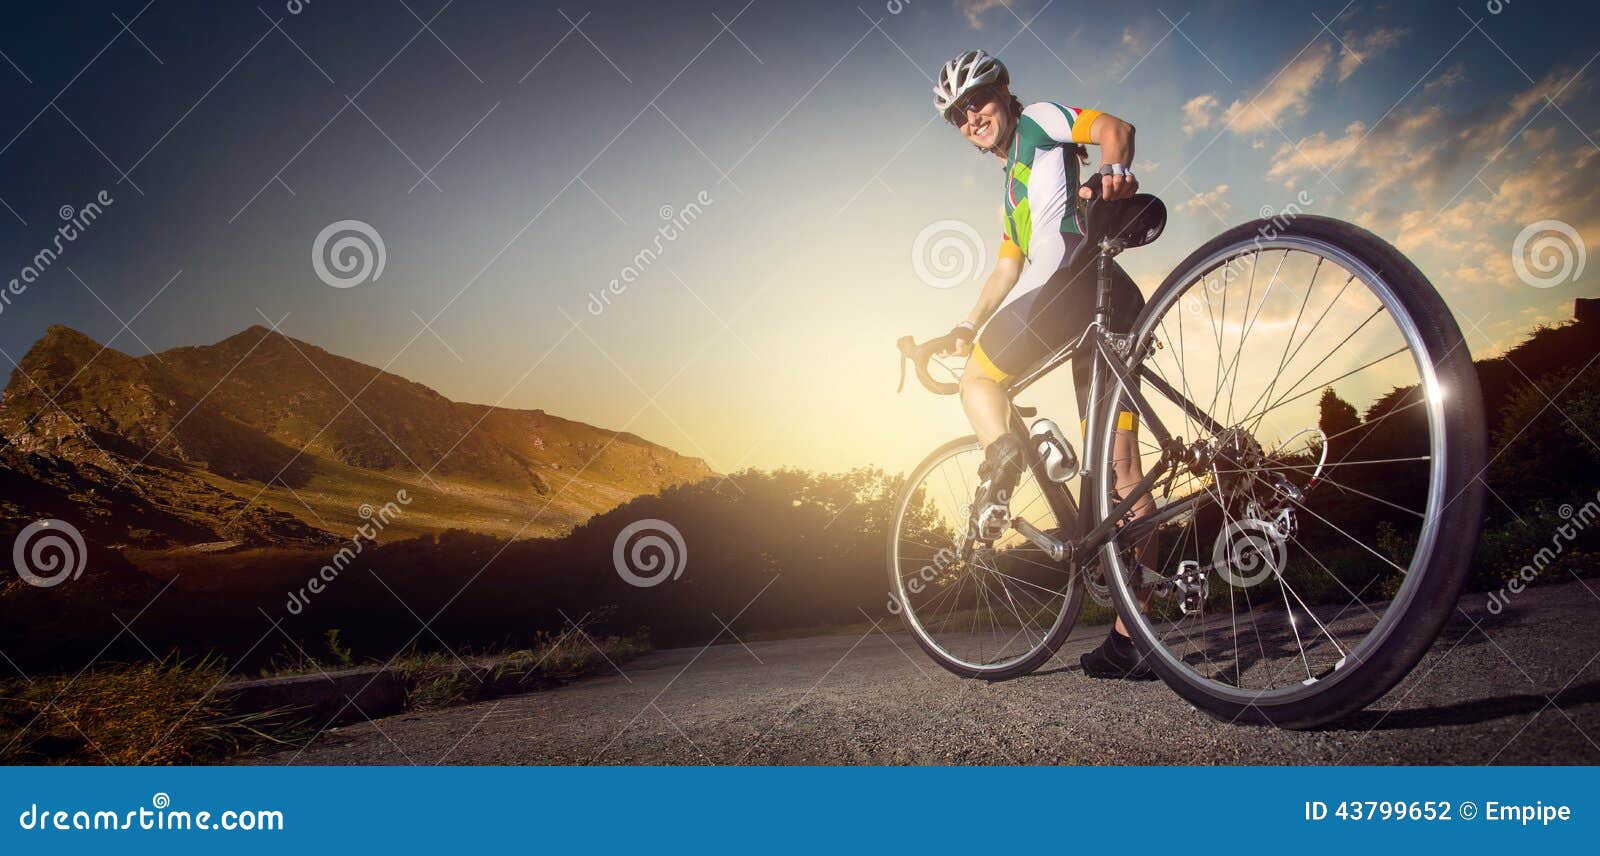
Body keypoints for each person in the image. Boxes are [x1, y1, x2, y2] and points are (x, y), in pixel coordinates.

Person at [930, 50, 1157, 680]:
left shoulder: (1041, 122)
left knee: (978, 380)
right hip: (1108, 298)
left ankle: (1003, 460)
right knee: (1122, 469)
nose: (970, 116)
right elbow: (1008, 266)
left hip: (1063, 292)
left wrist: (1113, 172)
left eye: (977, 100)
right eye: (957, 114)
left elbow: (1118, 130)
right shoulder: (1013, 187)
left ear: (1003, 91)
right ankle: (1131, 637)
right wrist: (967, 324)